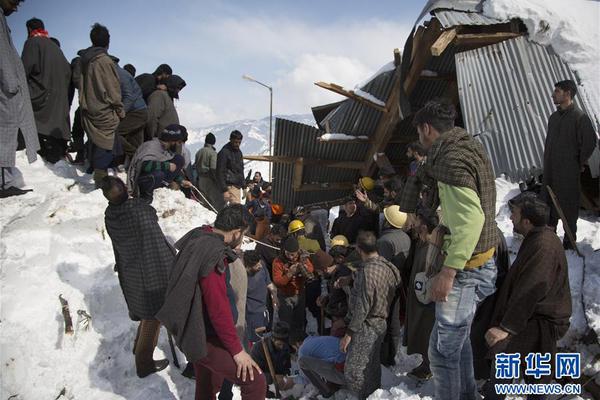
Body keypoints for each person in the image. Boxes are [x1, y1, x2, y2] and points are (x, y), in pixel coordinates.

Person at [406, 99, 498, 400]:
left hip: (466, 270)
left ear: (426, 129)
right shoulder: (465, 145)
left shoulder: (450, 161)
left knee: (442, 353)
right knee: (454, 345)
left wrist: (448, 271)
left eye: (419, 133)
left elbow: (472, 220)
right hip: (480, 260)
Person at [157, 204, 266, 400]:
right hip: (202, 334)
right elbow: (218, 307)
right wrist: (237, 350)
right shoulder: (212, 254)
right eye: (244, 235)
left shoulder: (202, 235)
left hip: (195, 328)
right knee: (254, 380)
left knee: (206, 384)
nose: (242, 241)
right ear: (235, 233)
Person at [483, 193, 572, 400]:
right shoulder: (536, 238)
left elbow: (530, 290)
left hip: (539, 321)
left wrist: (506, 328)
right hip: (531, 319)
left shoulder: (544, 246)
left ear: (527, 221)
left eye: (514, 213)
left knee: (505, 358)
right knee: (528, 373)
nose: (511, 218)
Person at [101, 176, 174, 377]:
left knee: (146, 312)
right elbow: (152, 219)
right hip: (152, 271)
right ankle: (144, 363)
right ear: (125, 189)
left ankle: (137, 347)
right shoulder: (138, 210)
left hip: (131, 271)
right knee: (153, 317)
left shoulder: (110, 215)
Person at [340, 231, 401, 399]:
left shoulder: (367, 271)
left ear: (359, 250)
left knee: (354, 371)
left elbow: (363, 306)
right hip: (382, 322)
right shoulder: (389, 267)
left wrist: (349, 333)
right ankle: (373, 396)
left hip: (366, 325)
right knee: (371, 368)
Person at [542, 79, 597, 248]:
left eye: (557, 91)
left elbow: (590, 142)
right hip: (550, 170)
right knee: (548, 204)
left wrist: (577, 162)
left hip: (567, 172)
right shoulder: (553, 118)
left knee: (568, 205)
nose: (553, 95)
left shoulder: (579, 117)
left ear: (567, 94)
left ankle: (569, 241)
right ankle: (548, 239)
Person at [0, 0, 40, 198]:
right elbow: (2, 52)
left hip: (8, 89)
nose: (15, 7)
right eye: (14, 2)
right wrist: (10, 83)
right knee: (4, 135)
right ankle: (3, 184)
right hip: (7, 91)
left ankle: (5, 182)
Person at [77, 23, 124, 187]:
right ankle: (100, 179)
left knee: (97, 142)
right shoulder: (104, 61)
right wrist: (119, 109)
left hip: (88, 107)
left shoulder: (84, 59)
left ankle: (98, 172)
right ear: (107, 42)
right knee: (106, 144)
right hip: (104, 109)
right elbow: (113, 90)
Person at [21, 17, 71, 164]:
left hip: (40, 98)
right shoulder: (55, 47)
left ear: (29, 30)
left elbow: (22, 71)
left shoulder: (32, 42)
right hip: (58, 102)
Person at [402, 206, 440, 380]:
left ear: (424, 226)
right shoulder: (422, 242)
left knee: (427, 331)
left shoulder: (433, 248)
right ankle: (426, 363)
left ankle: (430, 366)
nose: (414, 223)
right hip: (419, 297)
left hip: (428, 302)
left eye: (417, 220)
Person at [376, 205, 411, 366]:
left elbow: (380, 268)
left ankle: (384, 357)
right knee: (394, 320)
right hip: (400, 283)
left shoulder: (385, 241)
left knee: (384, 321)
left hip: (386, 286)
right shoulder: (406, 237)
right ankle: (392, 355)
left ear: (388, 222)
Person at [127, 124, 192, 200]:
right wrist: (166, 165)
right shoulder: (152, 146)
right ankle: (146, 196)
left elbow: (171, 169)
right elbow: (144, 166)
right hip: (143, 180)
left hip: (156, 178)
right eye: (179, 142)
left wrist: (181, 181)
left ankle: (163, 188)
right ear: (172, 141)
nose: (178, 145)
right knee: (158, 174)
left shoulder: (166, 150)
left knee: (178, 159)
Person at [272, 236, 315, 346]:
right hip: (285, 296)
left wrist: (303, 268)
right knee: (285, 322)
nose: (291, 257)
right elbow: (278, 281)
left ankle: (298, 341)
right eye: (289, 254)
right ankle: (286, 345)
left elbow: (311, 269)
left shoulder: (302, 257)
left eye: (294, 254)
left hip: (299, 294)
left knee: (299, 320)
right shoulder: (278, 261)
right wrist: (290, 274)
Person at [298, 319, 348, 398]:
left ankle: (326, 392)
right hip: (346, 355)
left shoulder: (301, 351)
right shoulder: (312, 339)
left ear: (296, 344)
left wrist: (293, 381)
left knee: (302, 361)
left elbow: (305, 377)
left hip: (346, 371)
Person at [112, 58, 147, 163]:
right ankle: (136, 160)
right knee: (134, 140)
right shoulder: (119, 74)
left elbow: (129, 96)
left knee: (114, 133)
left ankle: (135, 156)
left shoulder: (121, 75)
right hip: (139, 111)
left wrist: (121, 113)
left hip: (137, 112)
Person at [249, 321, 294, 396]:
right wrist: (272, 378)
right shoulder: (258, 349)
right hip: (261, 388)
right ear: (273, 339)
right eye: (279, 344)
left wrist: (289, 377)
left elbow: (287, 367)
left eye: (284, 344)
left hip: (280, 388)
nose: (282, 347)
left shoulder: (285, 348)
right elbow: (254, 374)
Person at [243, 250, 278, 344]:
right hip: (252, 313)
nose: (261, 266)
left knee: (267, 335)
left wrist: (274, 296)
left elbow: (269, 283)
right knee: (256, 342)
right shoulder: (242, 276)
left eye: (260, 263)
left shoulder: (262, 266)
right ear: (248, 267)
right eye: (257, 265)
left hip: (265, 309)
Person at [145, 74, 186, 140]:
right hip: (160, 141)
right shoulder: (159, 95)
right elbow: (152, 116)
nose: (178, 91)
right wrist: (152, 136)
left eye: (180, 88)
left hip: (167, 141)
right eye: (177, 87)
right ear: (172, 85)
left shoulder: (167, 97)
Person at [217, 130, 245, 206]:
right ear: (231, 140)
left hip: (237, 186)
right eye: (236, 142)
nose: (237, 144)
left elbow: (241, 170)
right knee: (235, 210)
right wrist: (224, 190)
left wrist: (244, 186)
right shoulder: (224, 152)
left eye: (239, 142)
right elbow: (220, 172)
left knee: (234, 210)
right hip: (229, 185)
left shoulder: (238, 152)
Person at [195, 132, 222, 210]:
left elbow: (195, 165)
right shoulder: (213, 153)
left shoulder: (199, 152)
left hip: (200, 178)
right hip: (210, 179)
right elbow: (213, 168)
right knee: (212, 201)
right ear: (214, 142)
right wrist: (217, 180)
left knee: (202, 200)